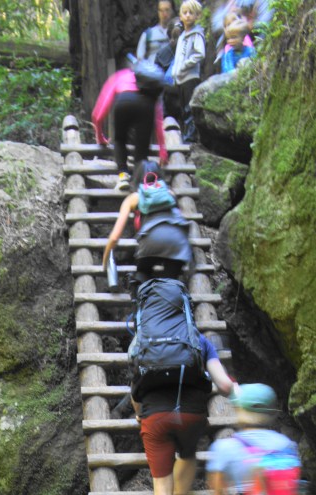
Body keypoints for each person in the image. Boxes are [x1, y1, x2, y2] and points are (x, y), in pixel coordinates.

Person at [131, 329, 237, 495]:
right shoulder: (199, 340)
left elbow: (135, 391)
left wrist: (139, 415)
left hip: (155, 417)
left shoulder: (141, 339)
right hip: (192, 414)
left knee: (161, 489)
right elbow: (223, 385)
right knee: (188, 453)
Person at [102, 160, 192, 285]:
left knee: (143, 274)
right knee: (170, 286)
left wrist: (105, 260)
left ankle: (143, 295)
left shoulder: (134, 198)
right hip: (178, 243)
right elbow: (179, 219)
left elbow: (114, 237)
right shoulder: (170, 193)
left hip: (151, 241)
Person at [92, 64, 168, 192]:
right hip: (146, 106)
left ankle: (123, 176)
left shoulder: (120, 75)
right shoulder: (151, 86)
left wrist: (100, 137)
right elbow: (159, 119)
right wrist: (162, 150)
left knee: (120, 139)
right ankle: (141, 184)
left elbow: (98, 115)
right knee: (142, 148)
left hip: (124, 101)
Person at [171, 0, 206, 143]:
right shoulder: (182, 35)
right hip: (180, 78)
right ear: (180, 15)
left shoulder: (196, 35)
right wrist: (175, 71)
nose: (187, 16)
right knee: (182, 108)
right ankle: (184, 134)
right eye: (185, 13)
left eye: (191, 13)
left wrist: (185, 65)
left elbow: (200, 53)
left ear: (197, 16)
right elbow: (178, 56)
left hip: (190, 77)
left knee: (189, 108)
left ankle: (190, 136)